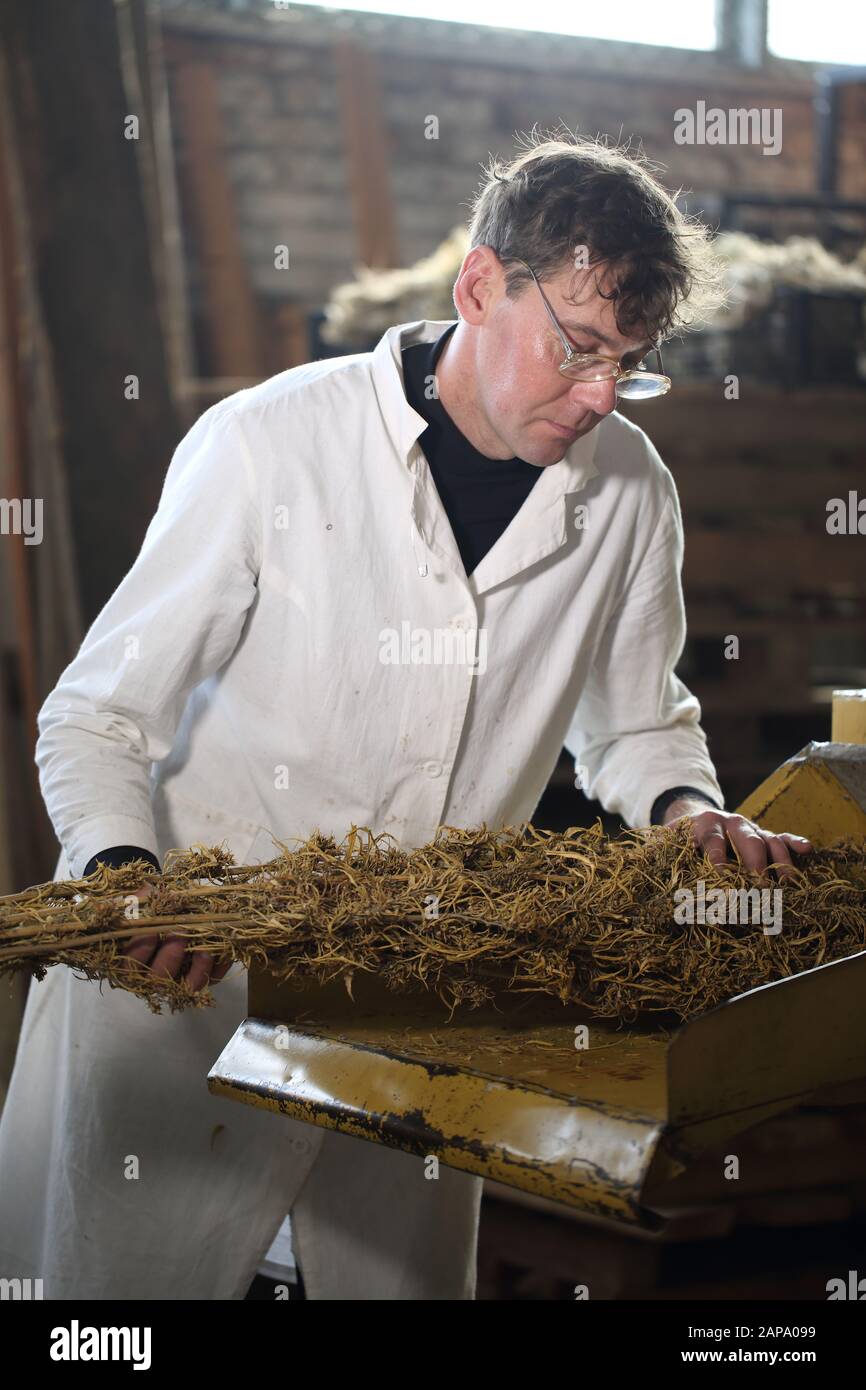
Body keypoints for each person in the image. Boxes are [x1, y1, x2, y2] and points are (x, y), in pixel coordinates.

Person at [0, 133, 811, 1301]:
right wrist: (128, 874)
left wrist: (684, 805)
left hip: (414, 1002)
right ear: (479, 285)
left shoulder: (630, 490)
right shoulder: (270, 443)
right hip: (186, 981)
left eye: (626, 367)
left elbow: (635, 724)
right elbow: (95, 714)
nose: (596, 399)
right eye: (576, 349)